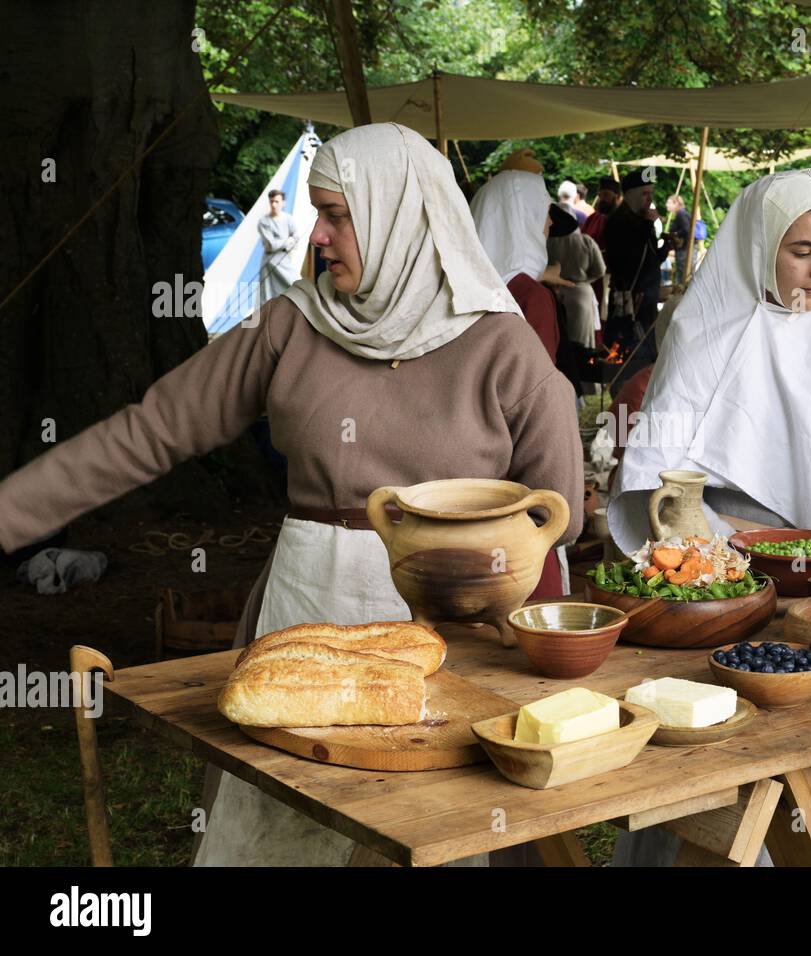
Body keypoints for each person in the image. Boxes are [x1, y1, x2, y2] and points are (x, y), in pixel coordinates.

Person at [0, 123, 585, 865]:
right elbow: (149, 431)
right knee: (274, 834)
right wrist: (8, 513)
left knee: (421, 831)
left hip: (447, 633)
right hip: (305, 608)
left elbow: (556, 509)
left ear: (399, 213)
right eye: (317, 214)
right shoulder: (291, 324)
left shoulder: (499, 346)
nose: (319, 237)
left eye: (339, 216)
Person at [608, 169, 811, 866]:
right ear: (759, 247)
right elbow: (656, 487)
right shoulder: (705, 332)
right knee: (721, 761)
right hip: (726, 597)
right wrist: (727, 557)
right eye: (800, 250)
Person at [469, 162, 567, 364]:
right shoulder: (531, 296)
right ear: (524, 217)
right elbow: (537, 385)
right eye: (545, 211)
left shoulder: (461, 284)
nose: (550, 222)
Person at [602, 166, 671, 357]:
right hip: (630, 301)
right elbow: (627, 261)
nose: (649, 200)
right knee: (628, 353)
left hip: (647, 299)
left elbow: (652, 260)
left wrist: (666, 245)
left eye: (651, 194)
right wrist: (647, 226)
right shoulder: (619, 221)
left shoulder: (642, 221)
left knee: (647, 351)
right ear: (632, 195)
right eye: (645, 194)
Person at [546, 203, 606, 349]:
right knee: (582, 347)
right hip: (580, 295)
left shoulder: (548, 243)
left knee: (561, 345)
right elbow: (600, 270)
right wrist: (584, 281)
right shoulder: (585, 241)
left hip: (555, 295)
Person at [257, 188, 300, 302]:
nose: (274, 204)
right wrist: (288, 241)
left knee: (296, 286)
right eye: (271, 201)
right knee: (268, 296)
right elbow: (271, 244)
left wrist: (287, 242)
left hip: (285, 260)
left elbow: (296, 238)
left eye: (277, 201)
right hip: (270, 262)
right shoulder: (263, 221)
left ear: (283, 203)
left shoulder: (288, 219)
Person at [665, 194, 692, 284]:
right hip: (684, 248)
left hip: (684, 248)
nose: (666, 205)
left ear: (676, 203)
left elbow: (686, 230)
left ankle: (681, 293)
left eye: (669, 203)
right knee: (682, 272)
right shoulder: (681, 214)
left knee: (682, 272)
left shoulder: (681, 214)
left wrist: (675, 234)